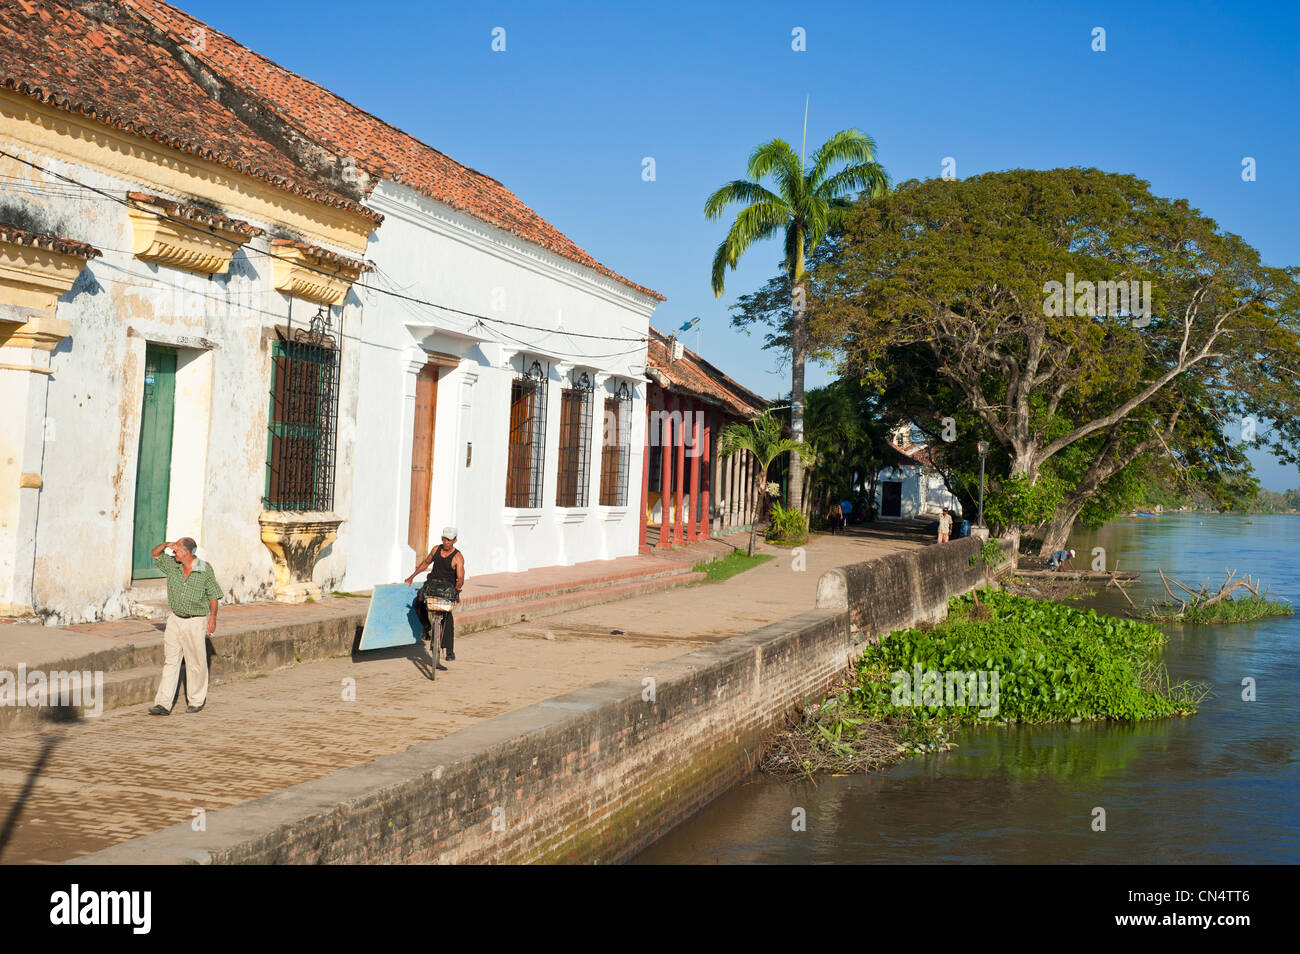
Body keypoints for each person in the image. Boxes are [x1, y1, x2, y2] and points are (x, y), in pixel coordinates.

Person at [147, 537, 222, 715]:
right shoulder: (173, 565)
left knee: (195, 662)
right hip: (175, 620)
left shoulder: (204, 568)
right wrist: (166, 544)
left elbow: (213, 595)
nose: (174, 552)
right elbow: (154, 553)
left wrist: (213, 618)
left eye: (177, 549)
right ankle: (163, 704)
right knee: (171, 661)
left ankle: (196, 700)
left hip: (195, 621)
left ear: (187, 552)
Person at [406, 527, 465, 663]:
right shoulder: (435, 549)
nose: (446, 542)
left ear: (454, 540)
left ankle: (449, 650)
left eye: (449, 540)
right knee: (418, 602)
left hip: (446, 587)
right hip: (432, 584)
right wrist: (412, 576)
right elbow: (426, 563)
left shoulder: (458, 557)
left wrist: (456, 589)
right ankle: (426, 626)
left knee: (447, 615)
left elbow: (460, 578)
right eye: (444, 539)